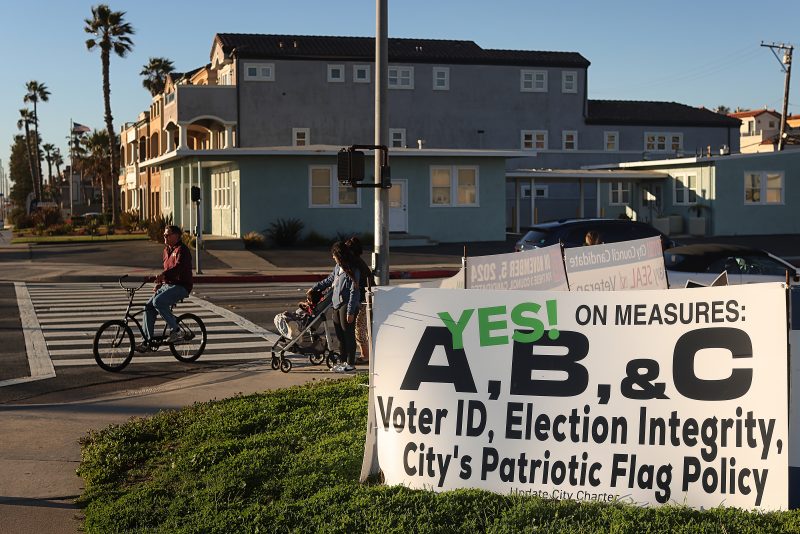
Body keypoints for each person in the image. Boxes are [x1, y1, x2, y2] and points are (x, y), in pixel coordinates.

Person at [137, 225, 193, 352]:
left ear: (176, 236)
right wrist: (161, 282)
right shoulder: (166, 251)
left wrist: (164, 275)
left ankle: (176, 330)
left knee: (158, 302)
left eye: (167, 235)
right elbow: (168, 271)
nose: (164, 237)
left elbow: (178, 269)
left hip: (181, 286)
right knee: (148, 307)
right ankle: (147, 341)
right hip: (168, 285)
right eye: (164, 235)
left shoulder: (182, 250)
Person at [310, 241, 361, 372]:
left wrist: (350, 311)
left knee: (348, 335)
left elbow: (354, 292)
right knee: (340, 336)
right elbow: (328, 280)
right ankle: (343, 362)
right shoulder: (337, 268)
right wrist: (314, 288)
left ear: (340, 255)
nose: (333, 257)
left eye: (334, 255)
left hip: (346, 305)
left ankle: (350, 364)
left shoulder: (353, 270)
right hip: (336, 305)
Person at [345, 236, 374, 364]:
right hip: (367, 297)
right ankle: (367, 353)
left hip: (365, 299)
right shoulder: (359, 262)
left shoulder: (355, 264)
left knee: (359, 326)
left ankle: (365, 355)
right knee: (363, 326)